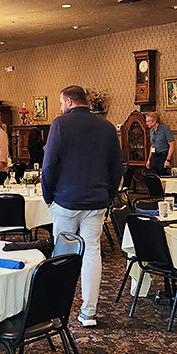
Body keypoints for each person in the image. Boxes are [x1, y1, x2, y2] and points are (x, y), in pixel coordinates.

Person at [41, 85, 123, 327]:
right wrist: (108, 195)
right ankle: (89, 311)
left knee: (63, 256)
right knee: (92, 252)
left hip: (65, 200)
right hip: (96, 200)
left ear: (68, 101)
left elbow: (49, 165)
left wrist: (48, 196)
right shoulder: (107, 127)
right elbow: (116, 167)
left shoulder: (60, 125)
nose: (60, 107)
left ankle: (57, 308)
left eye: (60, 102)